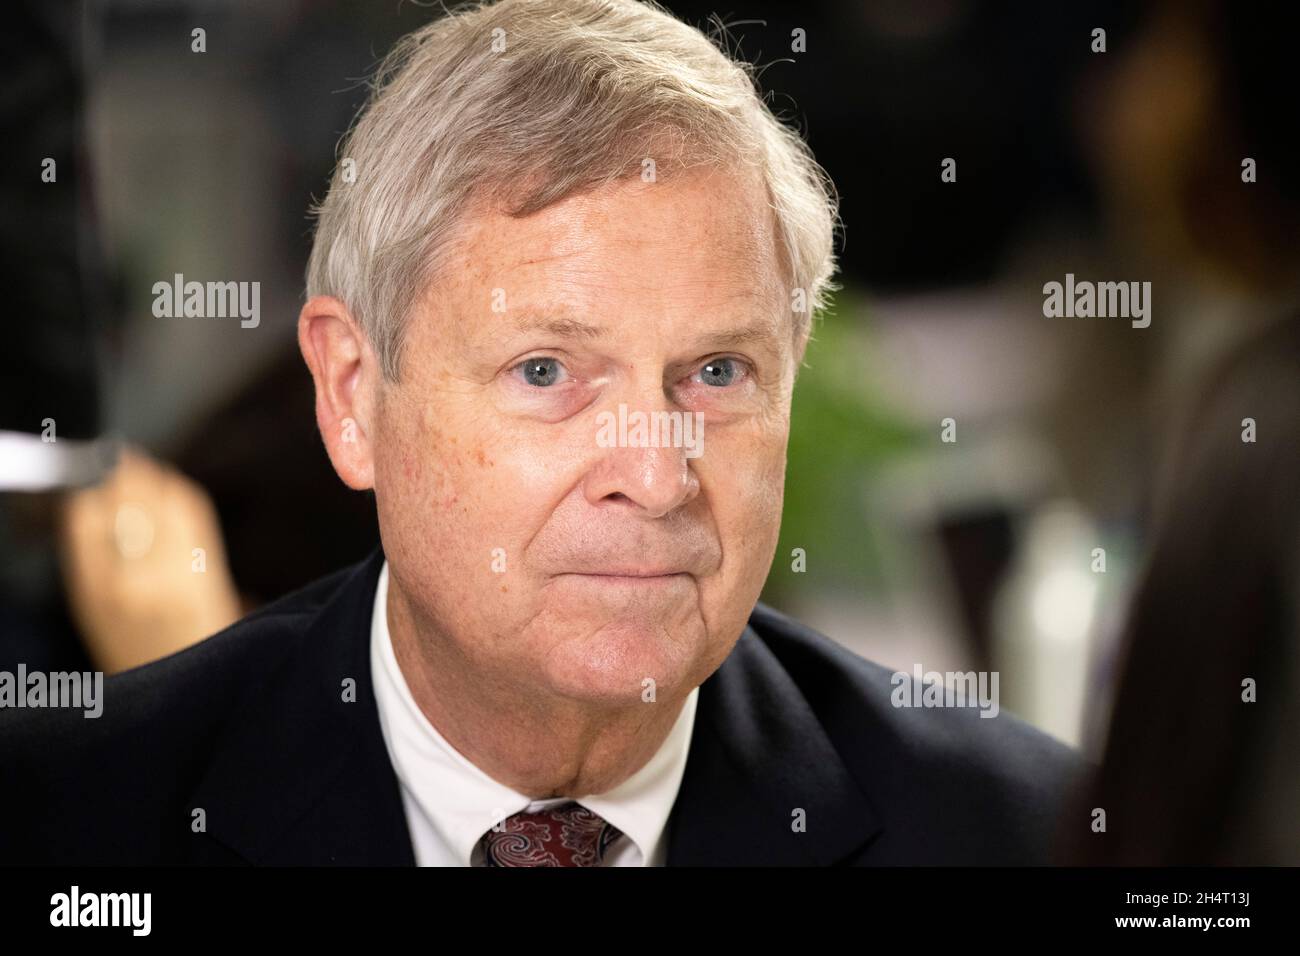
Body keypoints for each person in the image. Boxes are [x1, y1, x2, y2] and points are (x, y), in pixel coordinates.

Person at [0, 0, 1081, 866]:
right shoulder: (65, 816)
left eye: (717, 371)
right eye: (546, 371)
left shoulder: (1020, 833)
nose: (658, 475)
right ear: (349, 393)